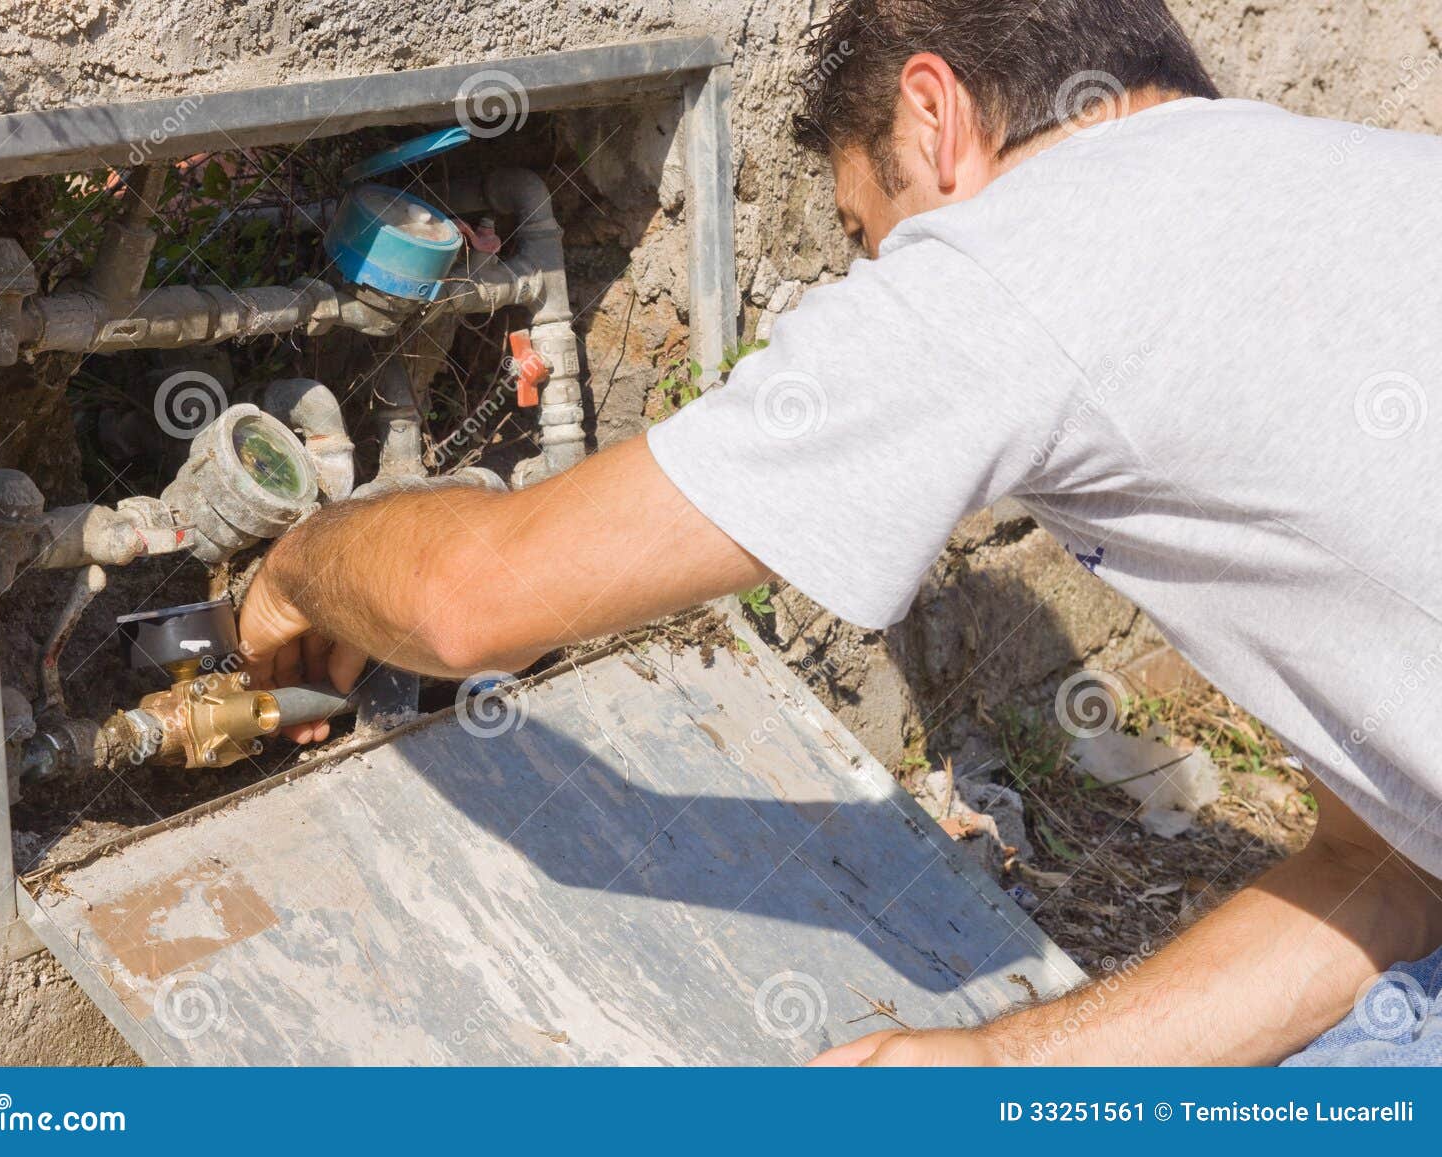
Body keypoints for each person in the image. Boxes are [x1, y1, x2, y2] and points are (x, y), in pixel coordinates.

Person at [240, 0, 1442, 1065]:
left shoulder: (1019, 263)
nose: (884, 270)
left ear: (935, 115)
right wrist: (998, 1072)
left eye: (874, 232)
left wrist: (302, 565)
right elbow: (1391, 873)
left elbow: (467, 598)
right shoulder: (1370, 178)